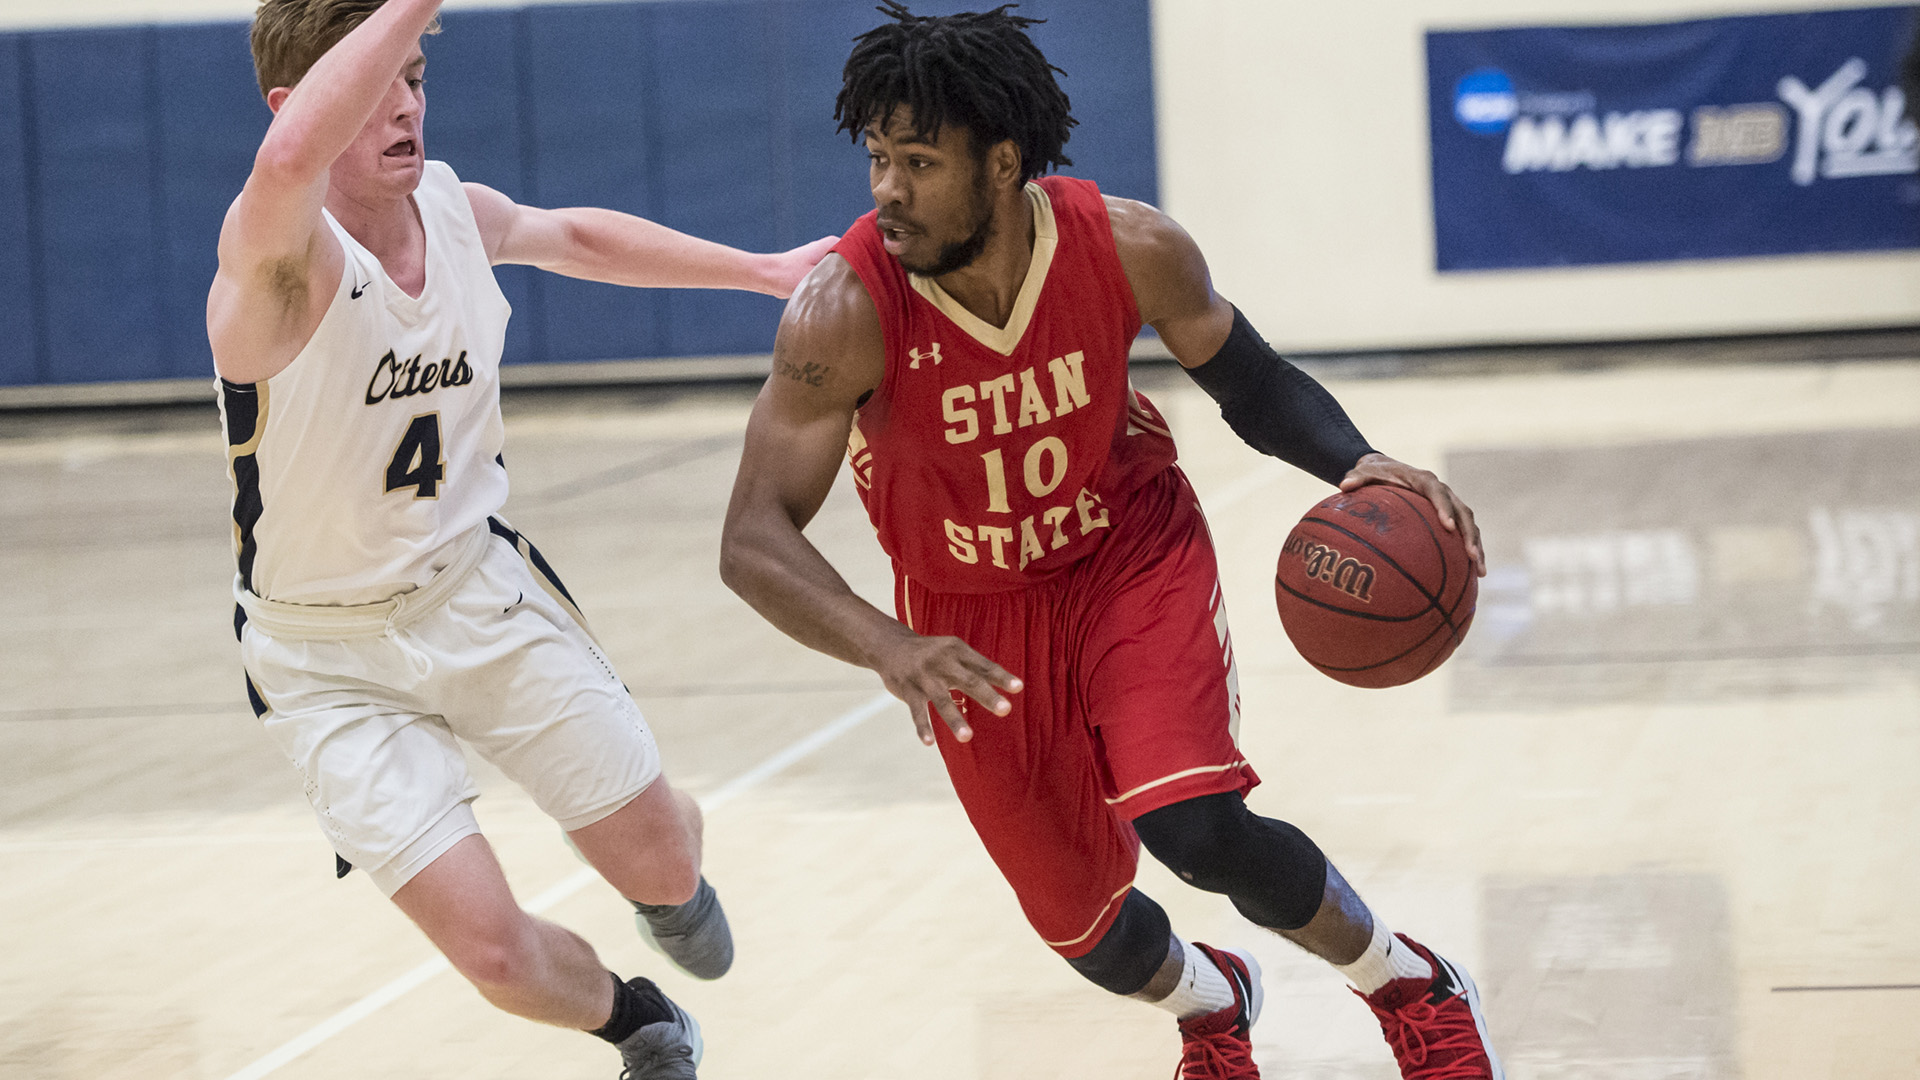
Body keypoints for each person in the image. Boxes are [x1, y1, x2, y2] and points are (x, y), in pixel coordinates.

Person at [718, 4, 1500, 1078]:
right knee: (1088, 931)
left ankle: (1406, 984)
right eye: (877, 159)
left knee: (1198, 826)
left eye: (918, 162)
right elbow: (753, 537)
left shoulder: (1130, 247)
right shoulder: (842, 309)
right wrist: (886, 645)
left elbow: (1247, 376)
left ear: (1001, 165)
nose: (887, 191)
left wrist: (1353, 459)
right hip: (970, 621)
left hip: (1126, 558)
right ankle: (1213, 1002)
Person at [208, 1, 832, 1076]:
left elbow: (578, 236)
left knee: (665, 864)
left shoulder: (456, 211)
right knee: (494, 956)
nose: (405, 104)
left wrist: (765, 271)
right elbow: (288, 158)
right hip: (324, 660)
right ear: (297, 105)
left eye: (415, 75)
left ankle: (665, 855)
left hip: (475, 593)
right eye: (375, 86)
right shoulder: (274, 261)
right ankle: (636, 1021)